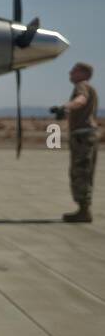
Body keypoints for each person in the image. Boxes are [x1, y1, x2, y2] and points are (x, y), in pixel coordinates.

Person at [55, 62, 98, 222]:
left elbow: (81, 100)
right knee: (82, 171)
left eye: (74, 71)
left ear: (84, 74)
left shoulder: (82, 86)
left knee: (81, 172)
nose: (70, 73)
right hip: (84, 135)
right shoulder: (84, 86)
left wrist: (66, 107)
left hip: (83, 136)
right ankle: (83, 209)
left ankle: (84, 211)